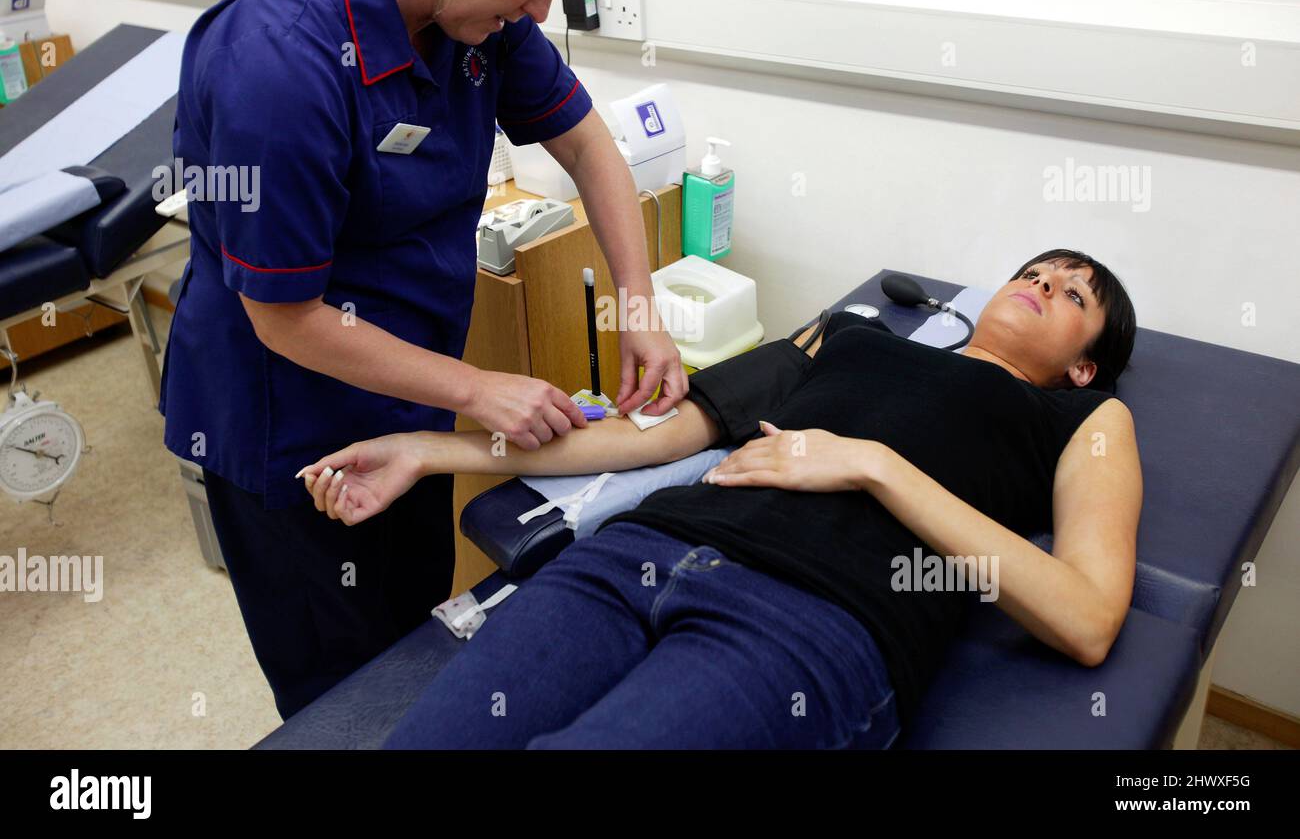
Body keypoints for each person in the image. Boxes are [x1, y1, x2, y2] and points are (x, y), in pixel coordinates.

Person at [158, 0, 685, 720]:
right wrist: (479, 389)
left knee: (416, 641)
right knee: (347, 697)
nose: (541, 8)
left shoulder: (477, 16)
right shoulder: (280, 56)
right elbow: (282, 315)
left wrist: (639, 306)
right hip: (288, 420)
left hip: (412, 399)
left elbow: (587, 145)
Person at [300, 249, 1142, 748]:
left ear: (1084, 366)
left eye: (1074, 294)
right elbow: (658, 434)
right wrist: (427, 451)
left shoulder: (1083, 417)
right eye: (1036, 270)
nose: (1042, 282)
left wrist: (873, 463)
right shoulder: (848, 335)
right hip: (636, 555)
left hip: (816, 616)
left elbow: (1085, 616)